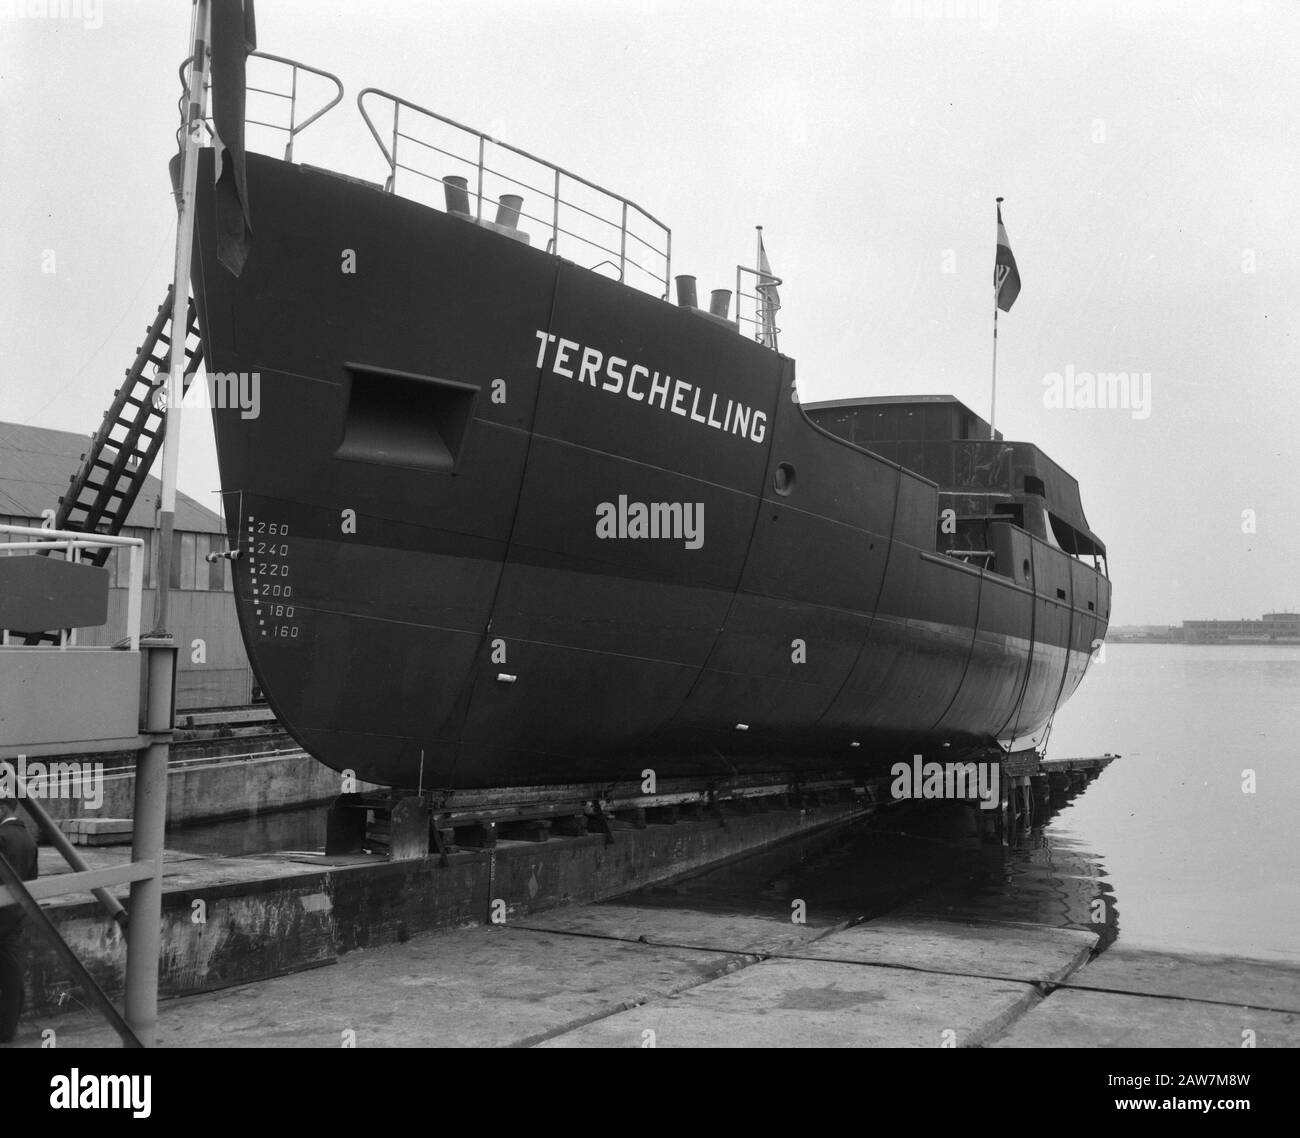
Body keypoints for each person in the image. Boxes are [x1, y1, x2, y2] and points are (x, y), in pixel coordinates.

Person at [0, 796, 38, 1044]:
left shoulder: (1, 838)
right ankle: (6, 1032)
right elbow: (32, 881)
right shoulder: (29, 840)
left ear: (2, 809)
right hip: (14, 920)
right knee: (12, 980)